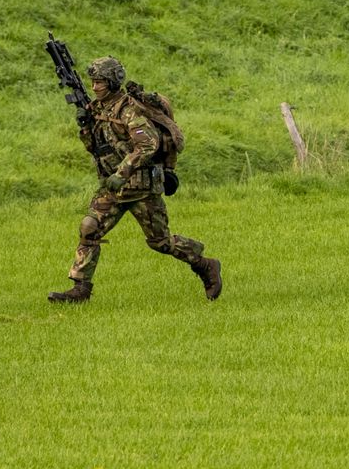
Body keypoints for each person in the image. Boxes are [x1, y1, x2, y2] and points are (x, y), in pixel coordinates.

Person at [48, 56, 221, 303]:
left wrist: (122, 174)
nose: (94, 87)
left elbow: (148, 144)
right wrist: (85, 127)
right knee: (90, 228)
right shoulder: (98, 108)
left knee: (160, 242)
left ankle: (205, 265)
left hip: (141, 187)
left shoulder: (129, 110)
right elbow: (95, 148)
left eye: (100, 82)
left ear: (112, 82)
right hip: (113, 189)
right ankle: (80, 289)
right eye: (93, 82)